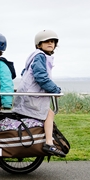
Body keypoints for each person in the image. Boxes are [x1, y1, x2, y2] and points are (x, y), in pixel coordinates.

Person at [12, 29, 66, 157]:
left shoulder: (36, 56)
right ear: (38, 44)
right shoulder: (40, 57)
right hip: (31, 98)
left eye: (52, 41)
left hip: (28, 96)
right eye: (46, 41)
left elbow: (24, 73)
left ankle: (48, 141)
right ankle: (49, 143)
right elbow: (41, 76)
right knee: (49, 114)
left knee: (49, 113)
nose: (50, 43)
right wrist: (55, 89)